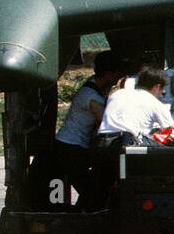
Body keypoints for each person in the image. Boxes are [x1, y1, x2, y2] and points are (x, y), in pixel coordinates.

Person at [90, 68, 174, 210]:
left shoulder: (117, 94)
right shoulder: (155, 103)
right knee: (130, 188)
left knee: (101, 187)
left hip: (101, 143)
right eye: (162, 90)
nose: (162, 94)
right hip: (124, 145)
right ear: (157, 86)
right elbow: (173, 131)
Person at [52, 52, 122, 210]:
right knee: (91, 190)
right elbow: (107, 121)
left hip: (77, 147)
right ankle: (82, 217)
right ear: (108, 73)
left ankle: (81, 214)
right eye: (117, 74)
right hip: (70, 148)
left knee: (93, 187)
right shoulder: (90, 96)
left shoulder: (95, 85)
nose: (118, 78)